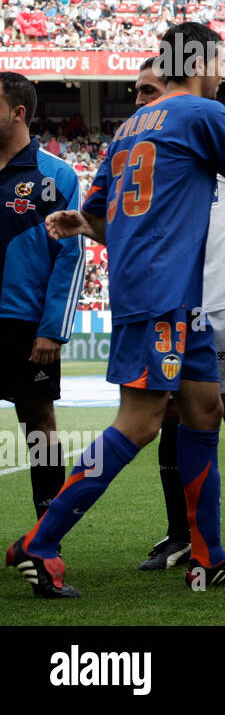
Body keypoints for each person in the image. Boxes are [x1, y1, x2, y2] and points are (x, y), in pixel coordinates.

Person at [11, 22, 225, 597]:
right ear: (199, 61)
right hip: (164, 296)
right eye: (219, 61)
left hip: (178, 297)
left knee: (205, 409)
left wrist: (83, 221)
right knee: (139, 424)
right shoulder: (203, 115)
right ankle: (43, 540)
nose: (223, 72)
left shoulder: (129, 129)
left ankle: (206, 555)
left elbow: (103, 220)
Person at [131, 53, 225, 573]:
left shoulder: (215, 134)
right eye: (137, 94)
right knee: (171, 414)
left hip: (224, 299)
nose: (141, 102)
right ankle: (182, 534)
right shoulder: (139, 147)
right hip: (170, 304)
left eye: (148, 90)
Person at [0, 72, 83, 523]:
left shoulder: (55, 175)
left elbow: (71, 256)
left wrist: (53, 329)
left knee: (39, 426)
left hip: (25, 324)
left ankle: (46, 538)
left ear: (17, 112)